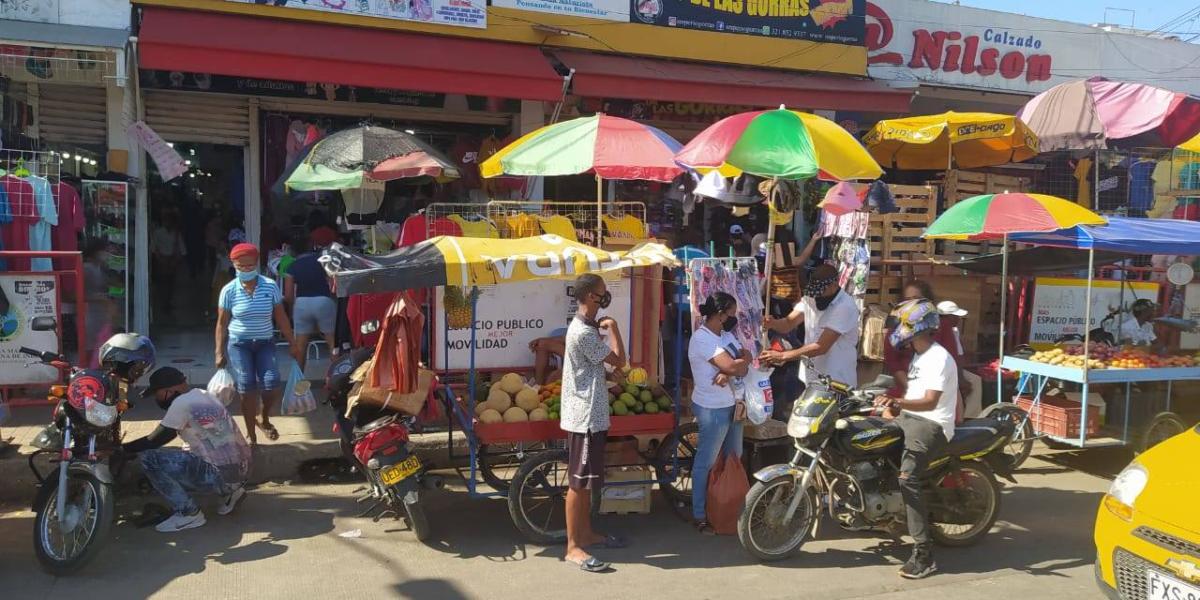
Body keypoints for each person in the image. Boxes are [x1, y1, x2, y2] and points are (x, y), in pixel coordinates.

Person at [873, 299, 958, 579]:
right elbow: (912, 397)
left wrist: (898, 403)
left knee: (907, 478)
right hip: (912, 417)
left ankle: (924, 554)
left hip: (932, 424)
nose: (896, 329)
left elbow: (931, 402)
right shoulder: (919, 356)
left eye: (901, 323)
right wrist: (886, 405)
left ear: (915, 326)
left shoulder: (938, 357)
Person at [122, 367, 251, 532]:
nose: (156, 398)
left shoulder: (181, 403)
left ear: (170, 390)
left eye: (157, 393)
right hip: (240, 473)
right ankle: (231, 493)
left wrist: (120, 449)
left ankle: (188, 514)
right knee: (188, 453)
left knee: (150, 457)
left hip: (217, 475)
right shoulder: (204, 395)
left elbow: (154, 440)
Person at [560, 273, 628, 573]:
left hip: (593, 414)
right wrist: (614, 328)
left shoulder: (586, 327)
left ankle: (586, 534)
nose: (605, 298)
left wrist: (608, 376)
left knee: (586, 482)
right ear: (590, 297)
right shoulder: (584, 333)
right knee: (577, 483)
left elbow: (597, 367)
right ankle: (573, 547)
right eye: (602, 293)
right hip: (585, 416)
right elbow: (618, 359)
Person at [215, 243, 301, 446]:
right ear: (234, 264)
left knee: (272, 384)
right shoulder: (228, 291)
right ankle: (251, 434)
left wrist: (293, 343)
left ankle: (263, 416)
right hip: (239, 345)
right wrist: (218, 351)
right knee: (246, 388)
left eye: (250, 265)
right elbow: (221, 323)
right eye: (241, 265)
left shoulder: (269, 286)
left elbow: (281, 317)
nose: (246, 269)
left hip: (265, 343)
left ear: (256, 263)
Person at [687, 292, 749, 534]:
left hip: (733, 405)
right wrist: (733, 368)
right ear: (720, 314)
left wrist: (732, 369)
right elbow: (735, 364)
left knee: (734, 457)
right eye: (732, 314)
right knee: (707, 462)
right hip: (712, 408)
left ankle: (725, 506)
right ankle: (700, 514)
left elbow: (747, 355)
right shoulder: (703, 339)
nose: (735, 319)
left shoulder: (724, 335)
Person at [759, 263, 860, 388]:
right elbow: (788, 323)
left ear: (834, 285)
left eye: (820, 292)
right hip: (812, 375)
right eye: (815, 292)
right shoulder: (811, 297)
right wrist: (773, 323)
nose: (816, 296)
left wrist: (783, 355)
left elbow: (821, 347)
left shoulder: (845, 307)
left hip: (836, 378)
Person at [285, 235, 338, 371]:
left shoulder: (292, 266)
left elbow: (289, 295)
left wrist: (291, 313)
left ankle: (299, 386)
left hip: (302, 304)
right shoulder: (322, 261)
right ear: (310, 245)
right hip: (324, 301)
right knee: (333, 344)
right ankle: (336, 380)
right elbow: (333, 285)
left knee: (301, 348)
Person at [151, 213, 186, 315]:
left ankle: (168, 302)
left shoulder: (176, 234)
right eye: (166, 220)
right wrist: (159, 259)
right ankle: (163, 302)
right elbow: (154, 247)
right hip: (161, 259)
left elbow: (182, 249)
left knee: (171, 283)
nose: (168, 223)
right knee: (162, 283)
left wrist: (176, 260)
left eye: (169, 221)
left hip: (172, 260)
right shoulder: (157, 233)